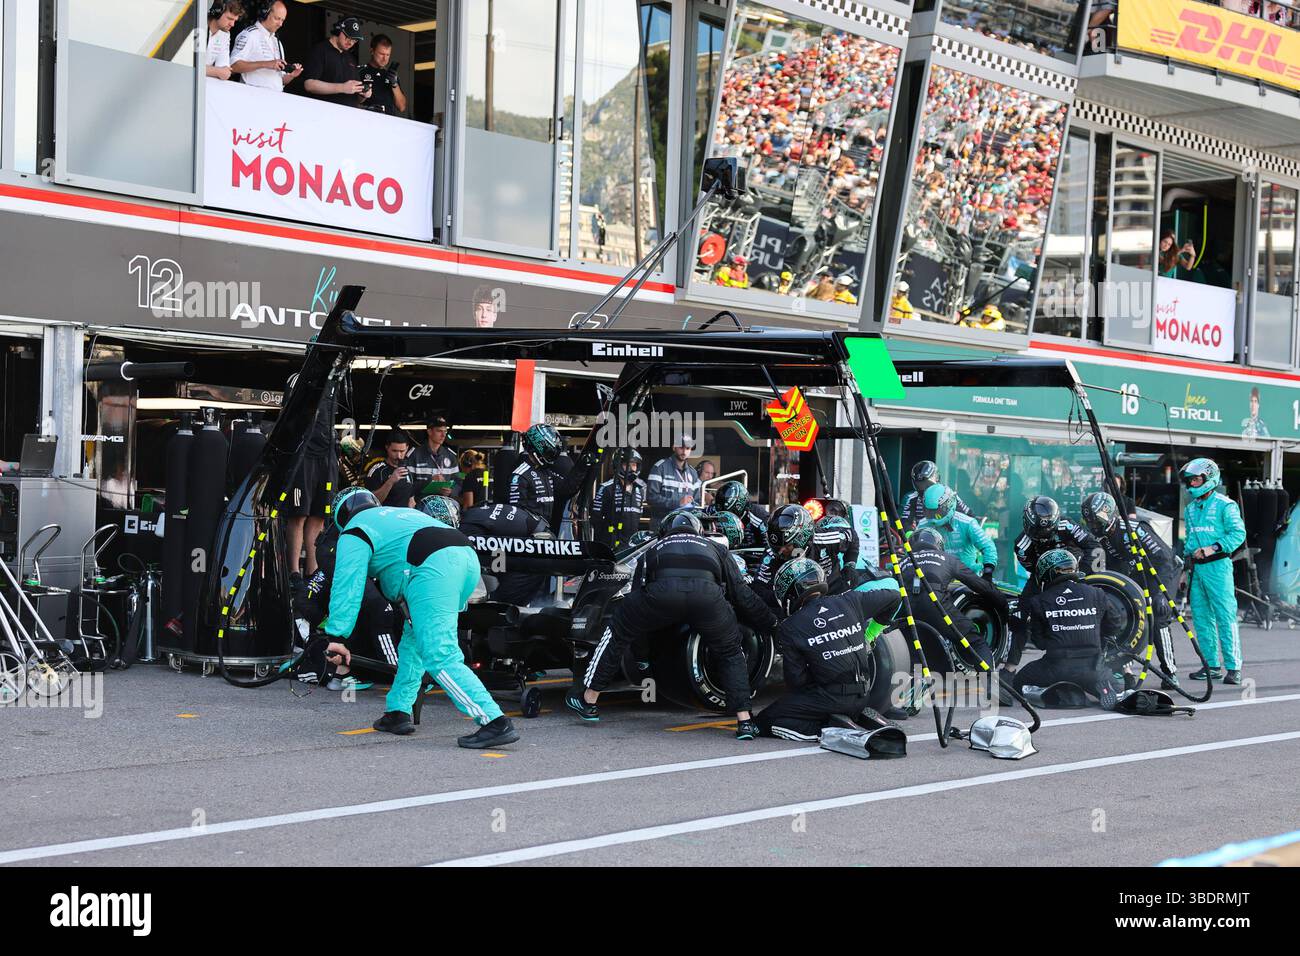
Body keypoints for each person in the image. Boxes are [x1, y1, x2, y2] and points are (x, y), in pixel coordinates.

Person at [324, 488, 519, 748]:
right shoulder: (398, 514)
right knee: (413, 641)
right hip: (464, 558)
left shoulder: (354, 529)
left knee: (440, 653)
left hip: (432, 568)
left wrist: (337, 636)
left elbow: (347, 584)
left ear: (342, 516)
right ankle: (398, 711)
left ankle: (493, 721)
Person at [567, 510, 778, 740]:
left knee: (619, 630)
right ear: (699, 532)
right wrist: (772, 624)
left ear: (665, 532)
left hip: (662, 595)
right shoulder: (716, 548)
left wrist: (642, 657)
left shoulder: (654, 548)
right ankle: (745, 721)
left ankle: (589, 701)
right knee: (731, 652)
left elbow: (638, 593)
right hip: (707, 598)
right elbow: (743, 596)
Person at [753, 559, 902, 741]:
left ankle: (826, 728)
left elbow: (796, 681)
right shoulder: (850, 599)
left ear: (789, 592)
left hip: (831, 698)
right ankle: (850, 715)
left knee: (763, 721)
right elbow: (895, 596)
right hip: (864, 693)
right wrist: (870, 635)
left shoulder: (789, 627)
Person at [1081, 492, 1179, 688]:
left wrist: (1162, 594)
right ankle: (1122, 669)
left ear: (1108, 515)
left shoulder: (1134, 530)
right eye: (1090, 522)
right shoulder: (1101, 537)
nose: (1093, 526)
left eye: (1096, 521)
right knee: (1121, 619)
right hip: (1134, 577)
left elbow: (1165, 559)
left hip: (1161, 573)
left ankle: (1170, 671)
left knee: (1158, 617)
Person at [1009, 549, 1125, 709]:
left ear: (1047, 574)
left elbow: (1040, 643)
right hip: (1092, 667)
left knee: (1019, 681)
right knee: (1118, 683)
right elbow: (1115, 625)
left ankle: (1059, 691)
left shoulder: (1038, 601)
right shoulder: (1097, 593)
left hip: (1055, 668)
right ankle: (1101, 686)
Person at [1007, 495, 1101, 672]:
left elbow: (1095, 548)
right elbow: (1034, 571)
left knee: (1099, 605)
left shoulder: (1067, 525)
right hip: (1044, 576)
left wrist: (1085, 574)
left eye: (1048, 532)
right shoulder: (1021, 545)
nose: (1043, 538)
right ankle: (1010, 667)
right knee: (1019, 613)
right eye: (1039, 533)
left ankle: (1121, 668)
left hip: (1075, 572)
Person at [298, 522, 397, 691]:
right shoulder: (331, 567)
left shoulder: (359, 560)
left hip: (337, 622)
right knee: (380, 612)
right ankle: (399, 674)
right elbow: (303, 602)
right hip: (319, 626)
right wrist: (327, 624)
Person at [1181, 458, 1246, 684]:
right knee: (1201, 618)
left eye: (1196, 479)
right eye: (1190, 480)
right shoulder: (1190, 509)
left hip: (1218, 567)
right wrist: (1184, 569)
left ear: (1209, 478)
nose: (1192, 484)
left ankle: (1234, 667)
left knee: (1225, 616)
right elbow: (1189, 541)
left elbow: (1238, 534)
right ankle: (1211, 666)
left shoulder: (1225, 505)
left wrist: (1212, 548)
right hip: (1196, 571)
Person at [284, 374, 339, 589]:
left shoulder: (335, 380)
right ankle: (293, 571)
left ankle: (313, 569)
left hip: (327, 454)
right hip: (303, 453)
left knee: (319, 515)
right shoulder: (298, 378)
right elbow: (291, 414)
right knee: (299, 513)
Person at [459, 500, 552, 606]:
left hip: (534, 548)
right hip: (539, 538)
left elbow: (467, 562)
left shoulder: (467, 525)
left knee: (500, 606)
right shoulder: (479, 511)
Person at [508, 423, 592, 533]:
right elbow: (516, 515)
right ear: (539, 447)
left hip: (546, 534)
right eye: (550, 452)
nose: (552, 457)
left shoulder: (546, 473)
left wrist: (582, 467)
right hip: (529, 537)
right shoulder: (520, 475)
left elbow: (567, 489)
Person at [917, 484, 997, 577]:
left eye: (937, 512)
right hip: (936, 579)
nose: (933, 517)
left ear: (949, 505)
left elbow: (988, 547)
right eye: (928, 511)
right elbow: (912, 552)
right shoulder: (922, 525)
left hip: (968, 580)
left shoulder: (967, 523)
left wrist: (987, 573)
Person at [752, 504, 817, 611]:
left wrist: (849, 564)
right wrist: (782, 596)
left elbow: (850, 536)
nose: (780, 551)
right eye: (776, 546)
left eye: (786, 546)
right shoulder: (771, 553)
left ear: (802, 538)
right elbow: (759, 588)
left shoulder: (825, 540)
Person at [230, 1, 302, 91]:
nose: (280, 24)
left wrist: (291, 75)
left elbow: (280, 81)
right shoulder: (249, 34)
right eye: (277, 18)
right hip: (252, 96)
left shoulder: (277, 42)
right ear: (264, 14)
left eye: (282, 20)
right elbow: (233, 66)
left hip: (275, 98)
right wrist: (266, 64)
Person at [302, 16, 370, 108]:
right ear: (338, 31)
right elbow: (309, 85)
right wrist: (342, 87)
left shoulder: (350, 58)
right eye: (348, 37)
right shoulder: (320, 50)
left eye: (354, 40)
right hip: (325, 114)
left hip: (349, 116)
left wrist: (363, 94)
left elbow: (356, 98)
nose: (350, 43)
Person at [592, 449, 645, 550]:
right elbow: (596, 519)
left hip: (631, 546)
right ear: (619, 465)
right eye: (627, 465)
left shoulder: (640, 490)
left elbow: (638, 518)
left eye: (634, 465)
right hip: (609, 545)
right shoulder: (606, 488)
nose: (632, 469)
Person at [647, 436, 702, 527]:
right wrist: (678, 503)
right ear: (674, 447)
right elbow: (651, 497)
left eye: (687, 448)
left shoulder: (693, 473)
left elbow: (697, 502)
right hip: (661, 524)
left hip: (685, 526)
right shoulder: (660, 467)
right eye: (681, 447)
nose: (684, 452)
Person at [900, 460, 973, 529]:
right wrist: (910, 535)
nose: (924, 489)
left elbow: (969, 516)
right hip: (924, 538)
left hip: (951, 537)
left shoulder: (949, 495)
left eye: (927, 484)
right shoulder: (913, 498)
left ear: (937, 480)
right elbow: (905, 522)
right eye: (920, 485)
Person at [406, 415, 460, 499]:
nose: (443, 435)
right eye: (439, 431)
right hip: (421, 505)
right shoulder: (415, 455)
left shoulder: (451, 455)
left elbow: (459, 482)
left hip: (445, 504)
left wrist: (451, 491)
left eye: (445, 431)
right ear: (429, 432)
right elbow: (406, 485)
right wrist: (429, 482)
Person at [711, 480, 769, 549]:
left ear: (739, 506)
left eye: (729, 512)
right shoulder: (715, 509)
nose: (724, 516)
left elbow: (767, 547)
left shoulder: (759, 516)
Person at [364, 430, 416, 507]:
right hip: (384, 517)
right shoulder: (377, 470)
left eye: (402, 451)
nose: (398, 455)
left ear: (407, 448)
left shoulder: (407, 470)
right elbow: (371, 501)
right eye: (394, 451)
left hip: (404, 517)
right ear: (387, 447)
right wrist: (391, 481)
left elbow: (411, 501)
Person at [359, 33, 407, 115]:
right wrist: (366, 108)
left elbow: (402, 107)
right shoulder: (361, 71)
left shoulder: (391, 75)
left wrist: (395, 84)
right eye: (381, 54)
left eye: (387, 55)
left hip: (388, 123)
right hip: (366, 120)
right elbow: (349, 102)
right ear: (372, 51)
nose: (385, 59)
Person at [205, 0, 242, 81]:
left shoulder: (225, 35)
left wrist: (217, 71)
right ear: (217, 13)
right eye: (229, 18)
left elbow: (224, 71)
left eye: (234, 20)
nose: (232, 24)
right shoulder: (196, 27)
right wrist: (216, 71)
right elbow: (188, 65)